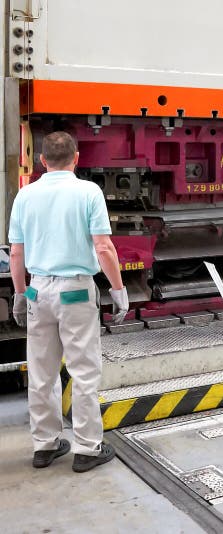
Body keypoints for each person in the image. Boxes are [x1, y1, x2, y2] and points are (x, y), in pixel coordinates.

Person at [9, 131, 129, 472]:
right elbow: (104, 248)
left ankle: (45, 445)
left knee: (41, 372)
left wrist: (21, 294)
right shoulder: (88, 192)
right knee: (83, 371)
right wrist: (119, 291)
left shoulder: (25, 195)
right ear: (77, 158)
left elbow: (17, 252)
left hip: (36, 290)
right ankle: (88, 448)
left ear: (42, 161)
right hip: (75, 291)